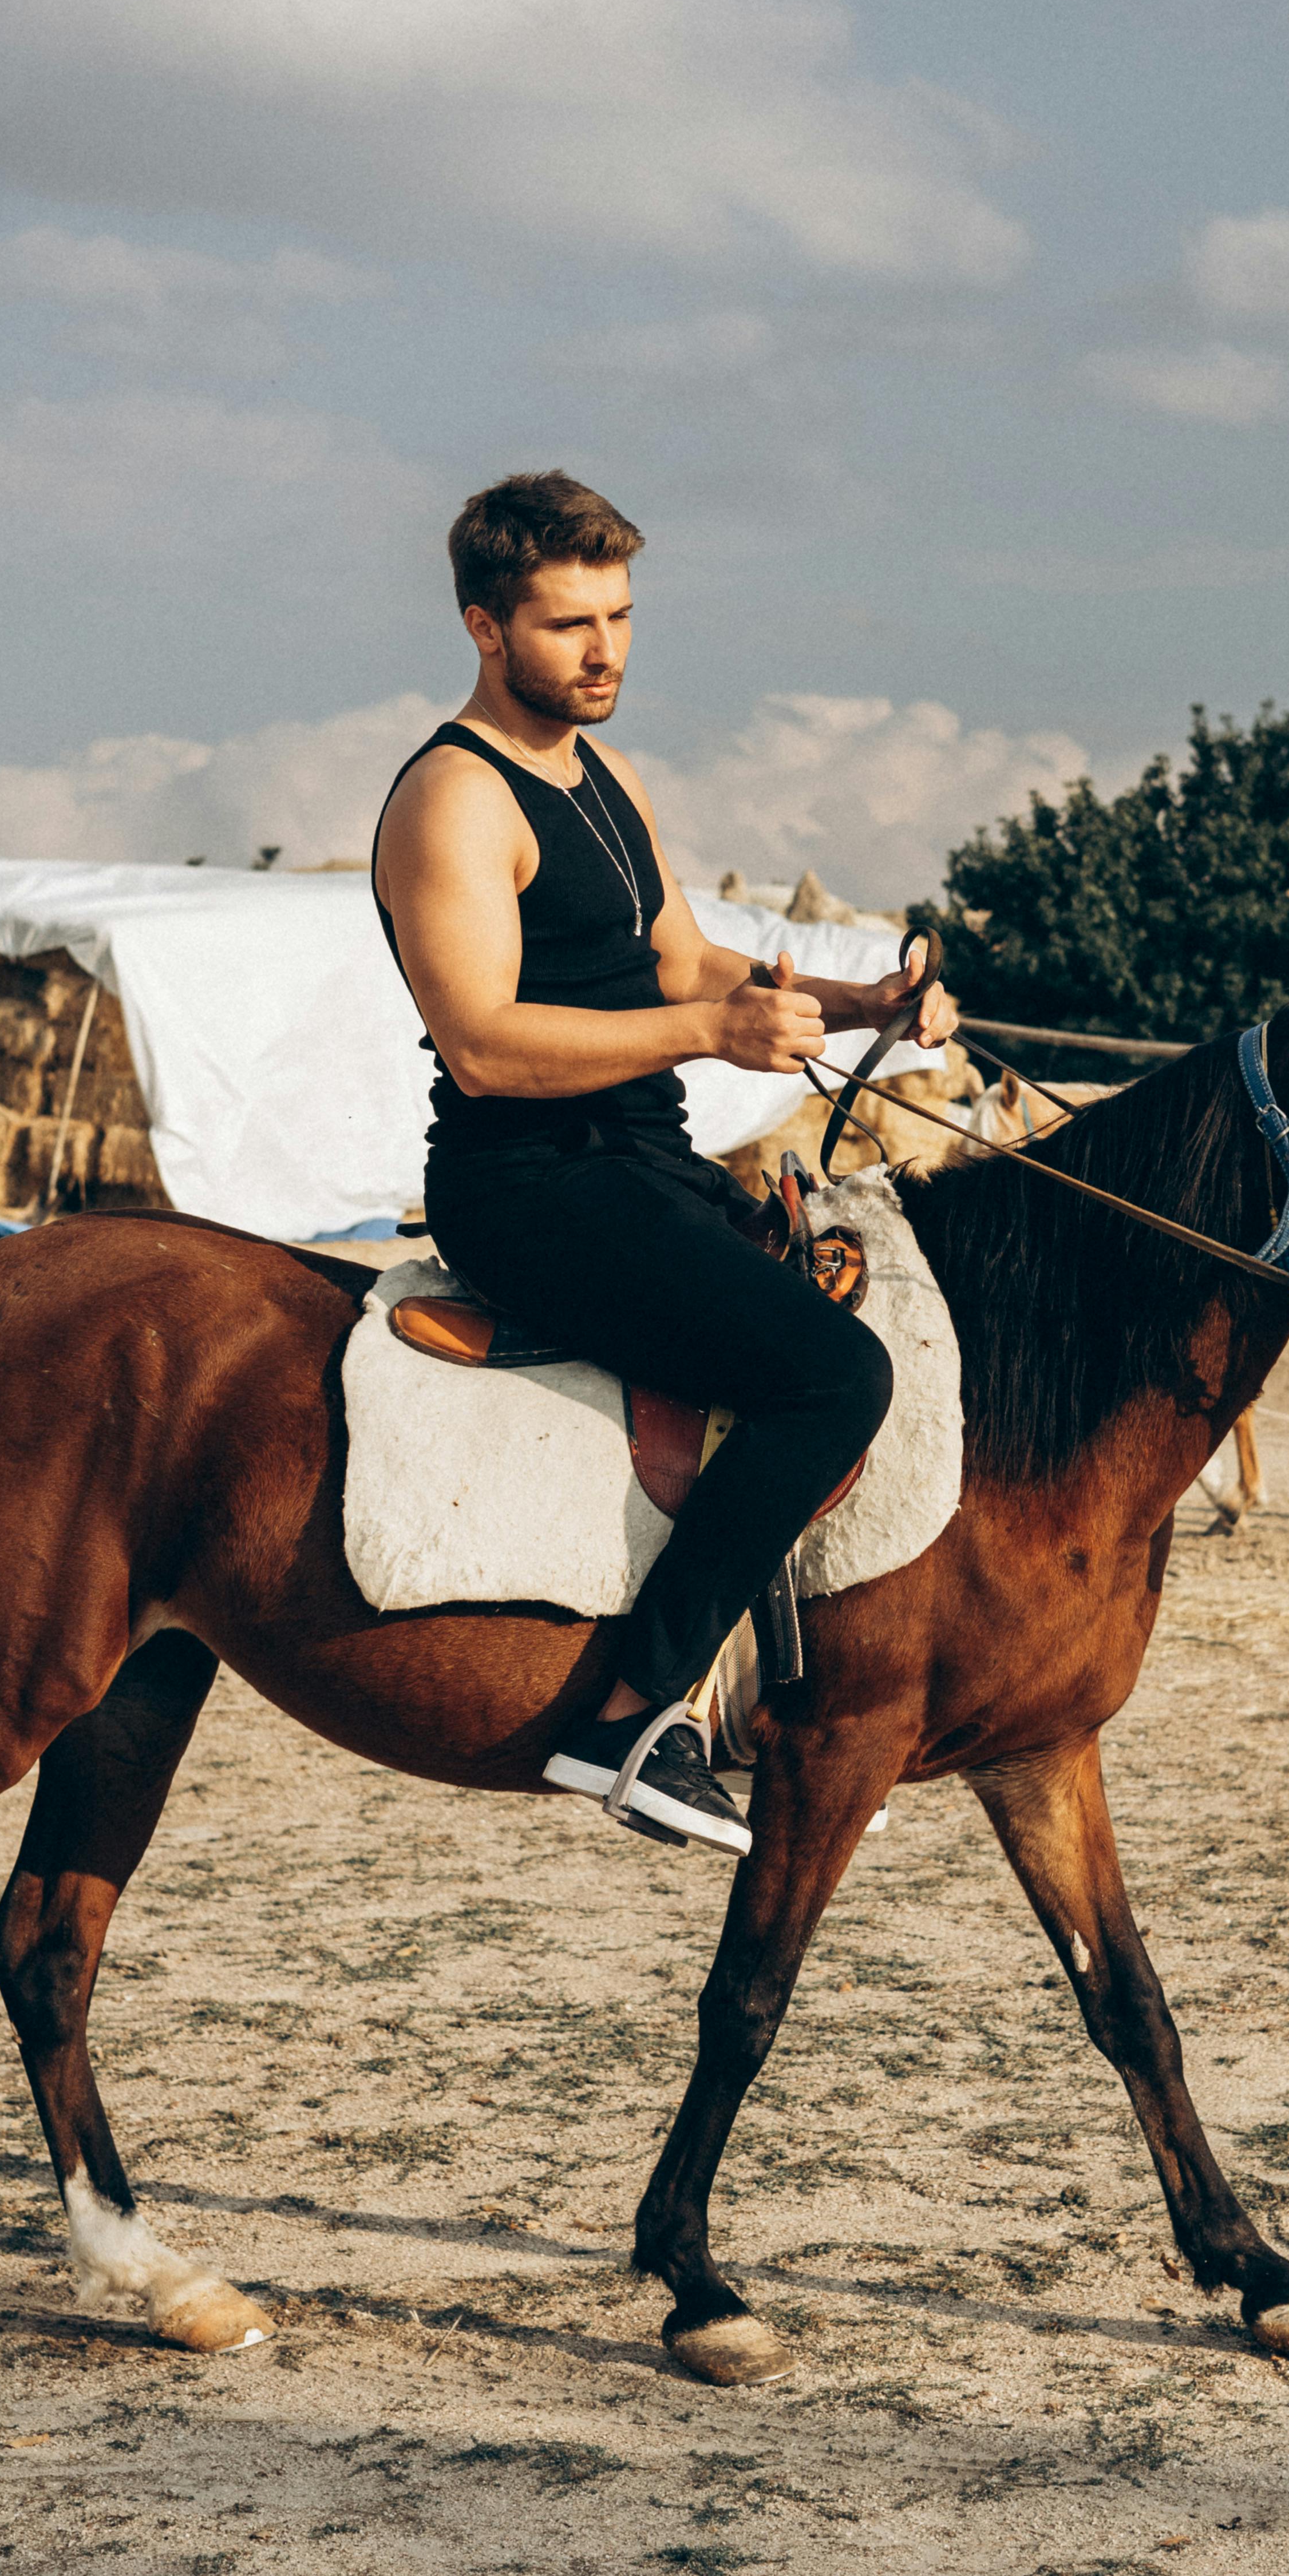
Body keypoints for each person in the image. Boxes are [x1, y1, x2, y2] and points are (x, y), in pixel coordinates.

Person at [372, 471, 954, 1855]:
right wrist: (706, 1030)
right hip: (531, 1183)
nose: (606, 650)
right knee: (833, 1377)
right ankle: (628, 1719)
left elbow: (684, 957)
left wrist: (868, 1003)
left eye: (621, 616)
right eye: (570, 623)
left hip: (643, 1160)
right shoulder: (453, 800)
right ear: (482, 626)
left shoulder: (605, 774)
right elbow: (482, 1046)